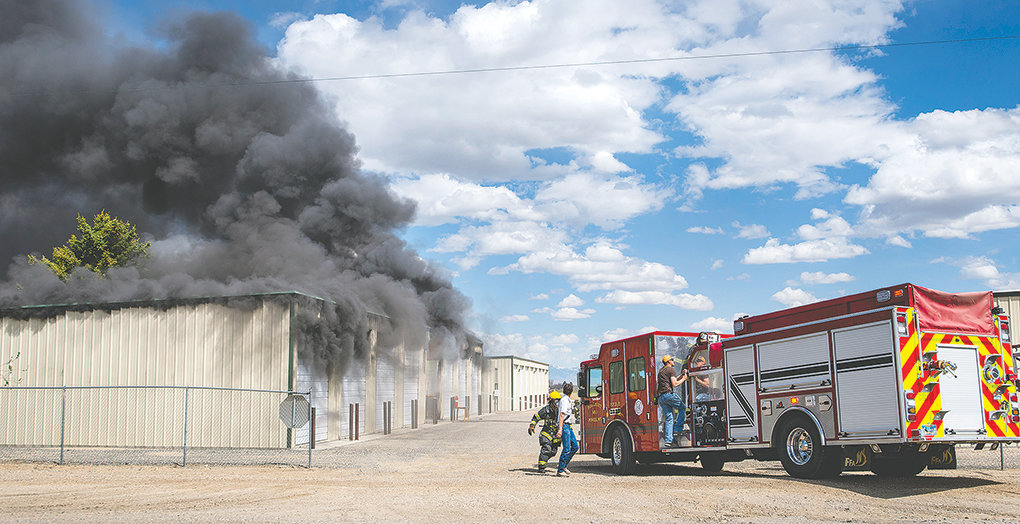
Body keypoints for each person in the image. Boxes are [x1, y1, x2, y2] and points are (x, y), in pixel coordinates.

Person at [656, 354, 689, 447]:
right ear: (668, 361)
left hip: (661, 397)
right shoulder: (671, 369)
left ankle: (668, 441)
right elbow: (675, 384)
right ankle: (678, 429)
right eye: (672, 359)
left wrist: (681, 375)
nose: (673, 361)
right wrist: (684, 379)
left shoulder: (662, 371)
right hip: (668, 395)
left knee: (669, 418)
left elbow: (672, 380)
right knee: (682, 408)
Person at [528, 390, 562, 473]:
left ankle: (544, 461)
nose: (557, 403)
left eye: (558, 401)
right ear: (551, 401)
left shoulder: (559, 410)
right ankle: (541, 468)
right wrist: (532, 426)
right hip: (546, 433)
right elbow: (536, 417)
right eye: (556, 401)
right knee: (546, 449)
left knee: (553, 451)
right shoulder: (545, 410)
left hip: (555, 435)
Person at [555, 383, 578, 477]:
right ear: (571, 391)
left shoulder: (567, 400)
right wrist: (560, 429)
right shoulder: (565, 400)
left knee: (575, 446)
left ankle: (564, 465)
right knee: (567, 448)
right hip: (564, 426)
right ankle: (560, 470)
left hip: (568, 426)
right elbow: (562, 415)